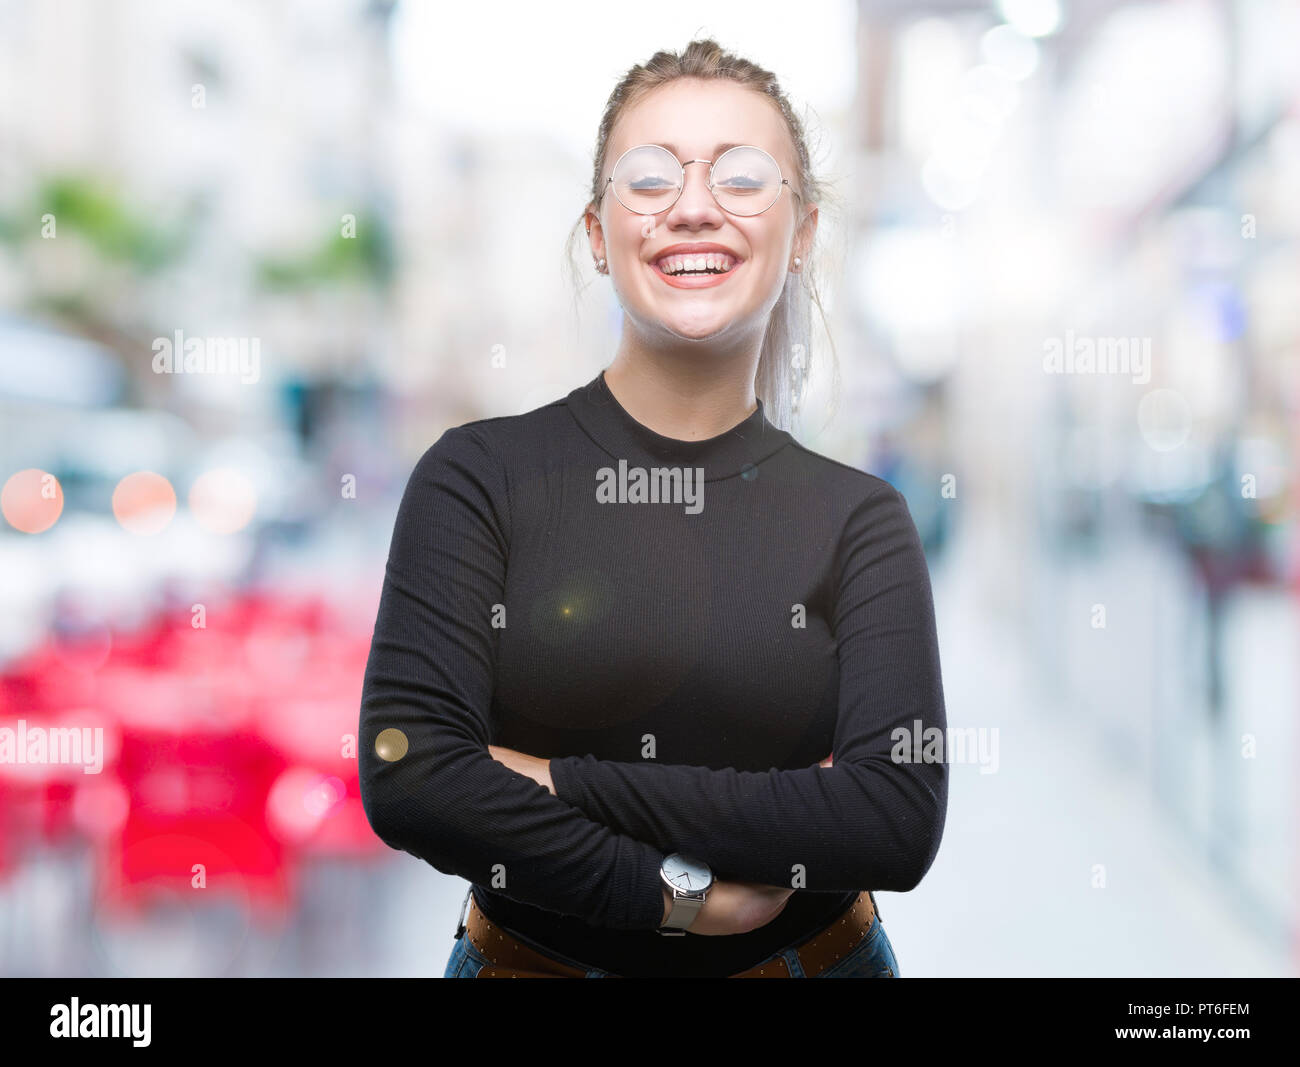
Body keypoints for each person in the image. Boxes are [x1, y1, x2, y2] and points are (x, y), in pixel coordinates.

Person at [359, 38, 947, 978]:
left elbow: (893, 818)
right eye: (649, 176)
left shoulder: (860, 519)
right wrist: (680, 896)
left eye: (744, 177)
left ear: (802, 232)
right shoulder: (477, 477)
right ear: (598, 230)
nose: (695, 205)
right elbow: (410, 771)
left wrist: (547, 776)